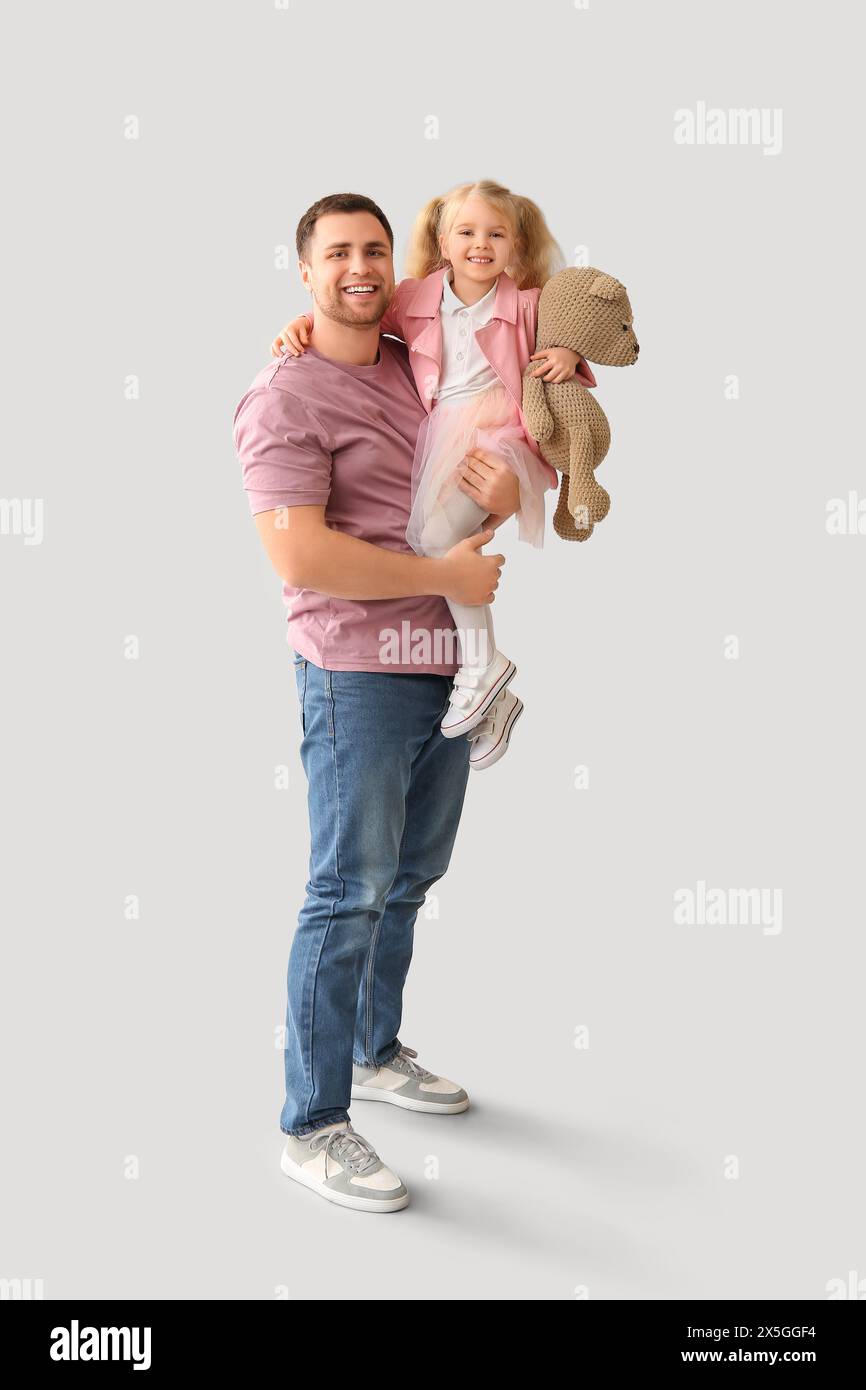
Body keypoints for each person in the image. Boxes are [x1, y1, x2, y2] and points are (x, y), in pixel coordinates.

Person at [233, 192, 521, 1213]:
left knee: (407, 875)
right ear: (305, 273)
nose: (360, 266)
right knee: (345, 889)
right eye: (337, 253)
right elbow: (296, 551)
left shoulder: (414, 361)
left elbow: (456, 474)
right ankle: (311, 1124)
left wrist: (493, 497)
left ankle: (368, 1048)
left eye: (374, 250)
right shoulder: (283, 395)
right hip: (353, 672)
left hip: (442, 663)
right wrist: (439, 567)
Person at [273, 179, 597, 758]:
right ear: (442, 242)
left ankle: (482, 671)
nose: (480, 244)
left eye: (496, 234)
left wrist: (570, 352)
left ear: (516, 244)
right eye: (466, 232)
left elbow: (575, 323)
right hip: (356, 667)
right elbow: (354, 304)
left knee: (439, 532)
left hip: (497, 435)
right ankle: (487, 669)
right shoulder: (409, 304)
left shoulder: (521, 305)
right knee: (431, 536)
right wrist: (300, 325)